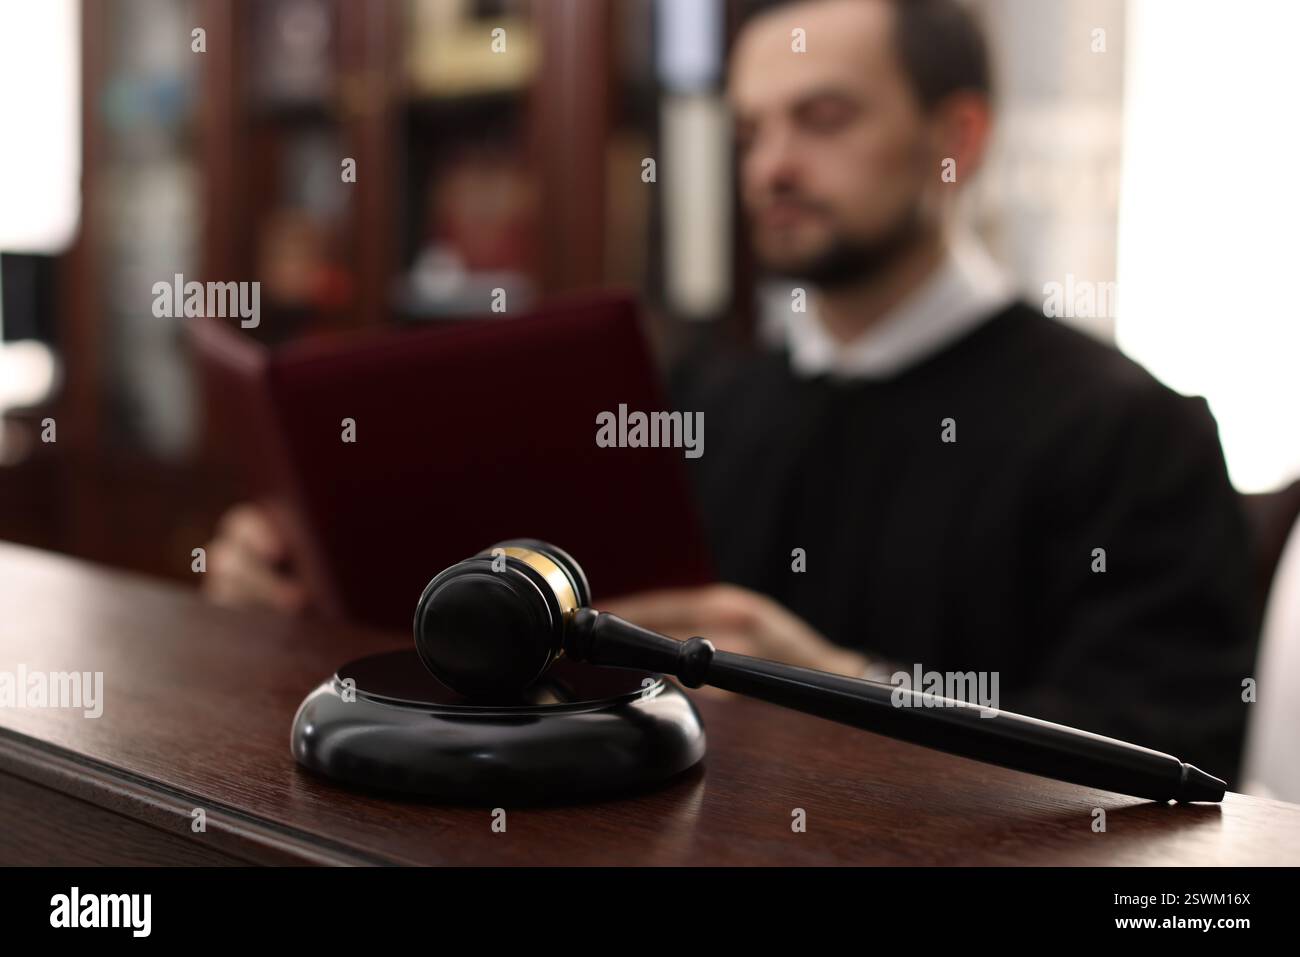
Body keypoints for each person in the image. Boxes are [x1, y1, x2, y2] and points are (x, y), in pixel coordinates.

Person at [204, 0, 1256, 782]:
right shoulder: (692, 394)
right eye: (750, 132)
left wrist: (846, 681)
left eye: (823, 118)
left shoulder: (1130, 432)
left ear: (955, 143)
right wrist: (303, 578)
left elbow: (1175, 767)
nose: (769, 168)